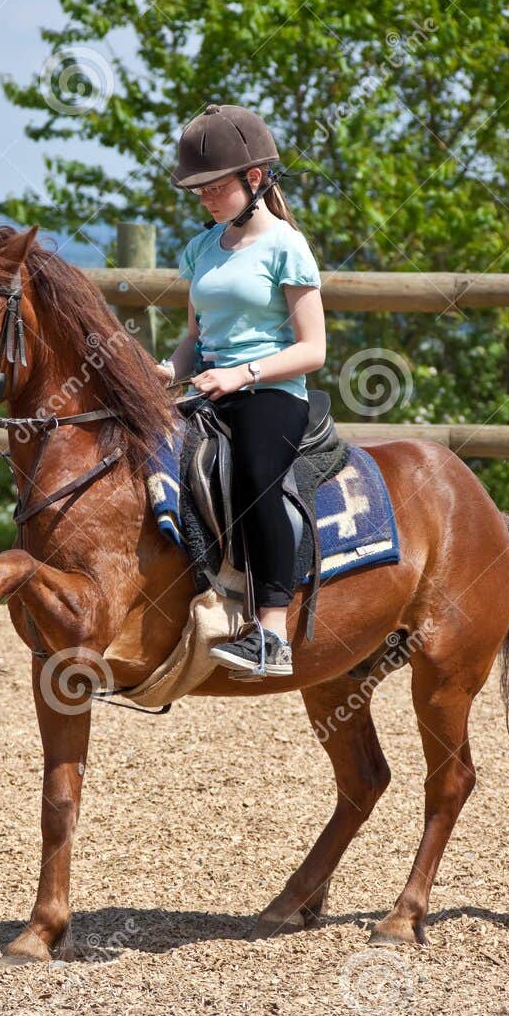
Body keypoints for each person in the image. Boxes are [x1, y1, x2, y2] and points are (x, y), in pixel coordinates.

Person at [159, 103, 326, 678]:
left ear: (254, 179)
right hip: (208, 388)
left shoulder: (286, 246)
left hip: (272, 392)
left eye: (215, 186)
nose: (205, 198)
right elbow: (194, 338)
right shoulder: (201, 247)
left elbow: (314, 349)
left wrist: (242, 374)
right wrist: (166, 370)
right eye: (199, 189)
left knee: (256, 478)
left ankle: (272, 632)